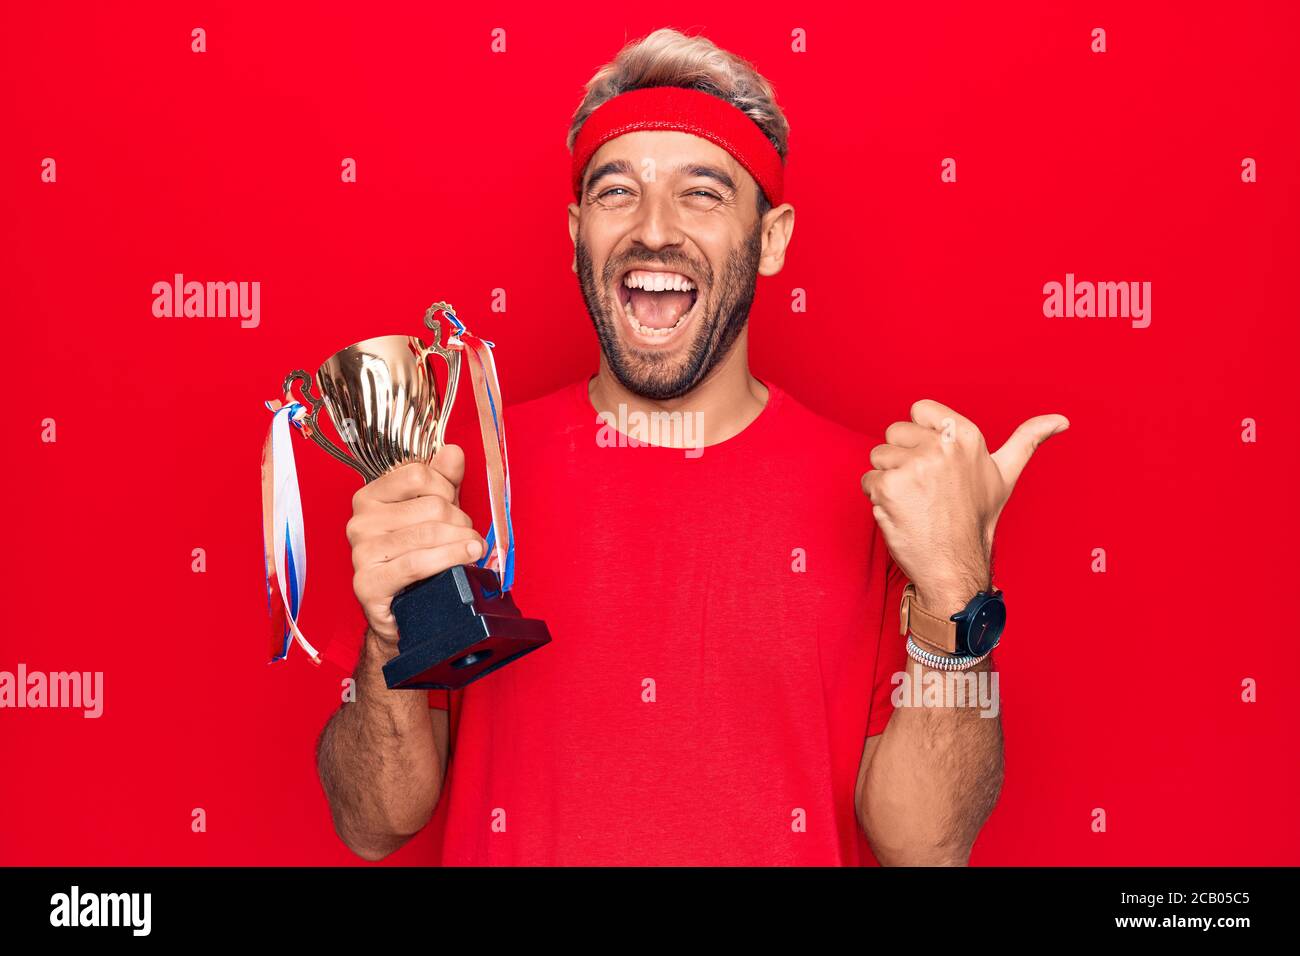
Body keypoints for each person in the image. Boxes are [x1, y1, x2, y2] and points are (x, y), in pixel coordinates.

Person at [316, 27, 1068, 866]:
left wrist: (958, 587)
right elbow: (373, 824)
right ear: (575, 232)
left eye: (702, 193)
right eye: (615, 193)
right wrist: (388, 640)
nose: (653, 231)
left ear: (772, 237)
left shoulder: (884, 501)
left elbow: (926, 848)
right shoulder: (459, 479)